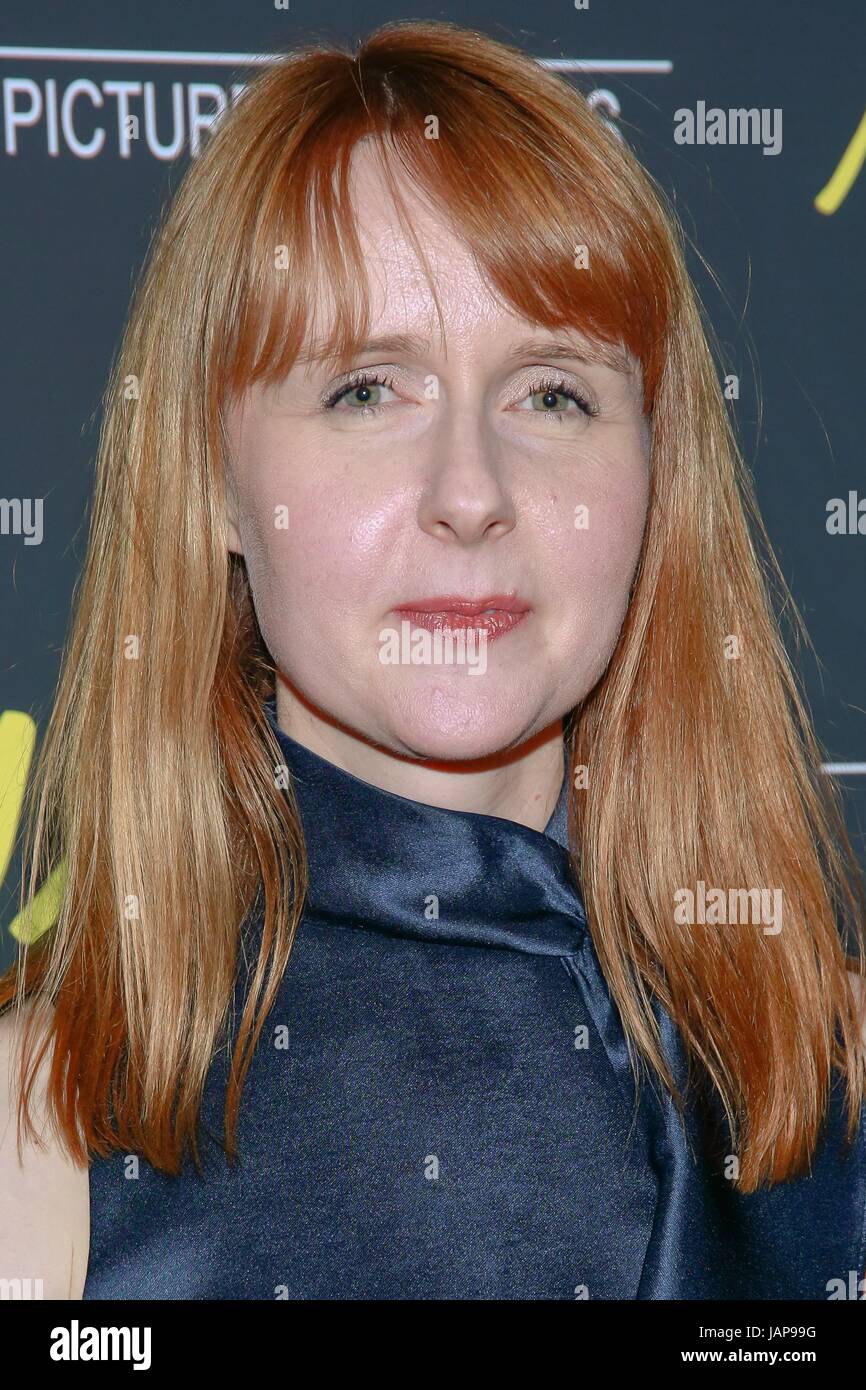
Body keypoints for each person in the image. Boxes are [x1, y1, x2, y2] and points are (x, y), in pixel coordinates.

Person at [2, 19, 865, 1301]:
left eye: (551, 393)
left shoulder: (837, 1074)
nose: (470, 492)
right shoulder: (40, 1131)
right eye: (365, 388)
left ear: (652, 480)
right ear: (212, 488)